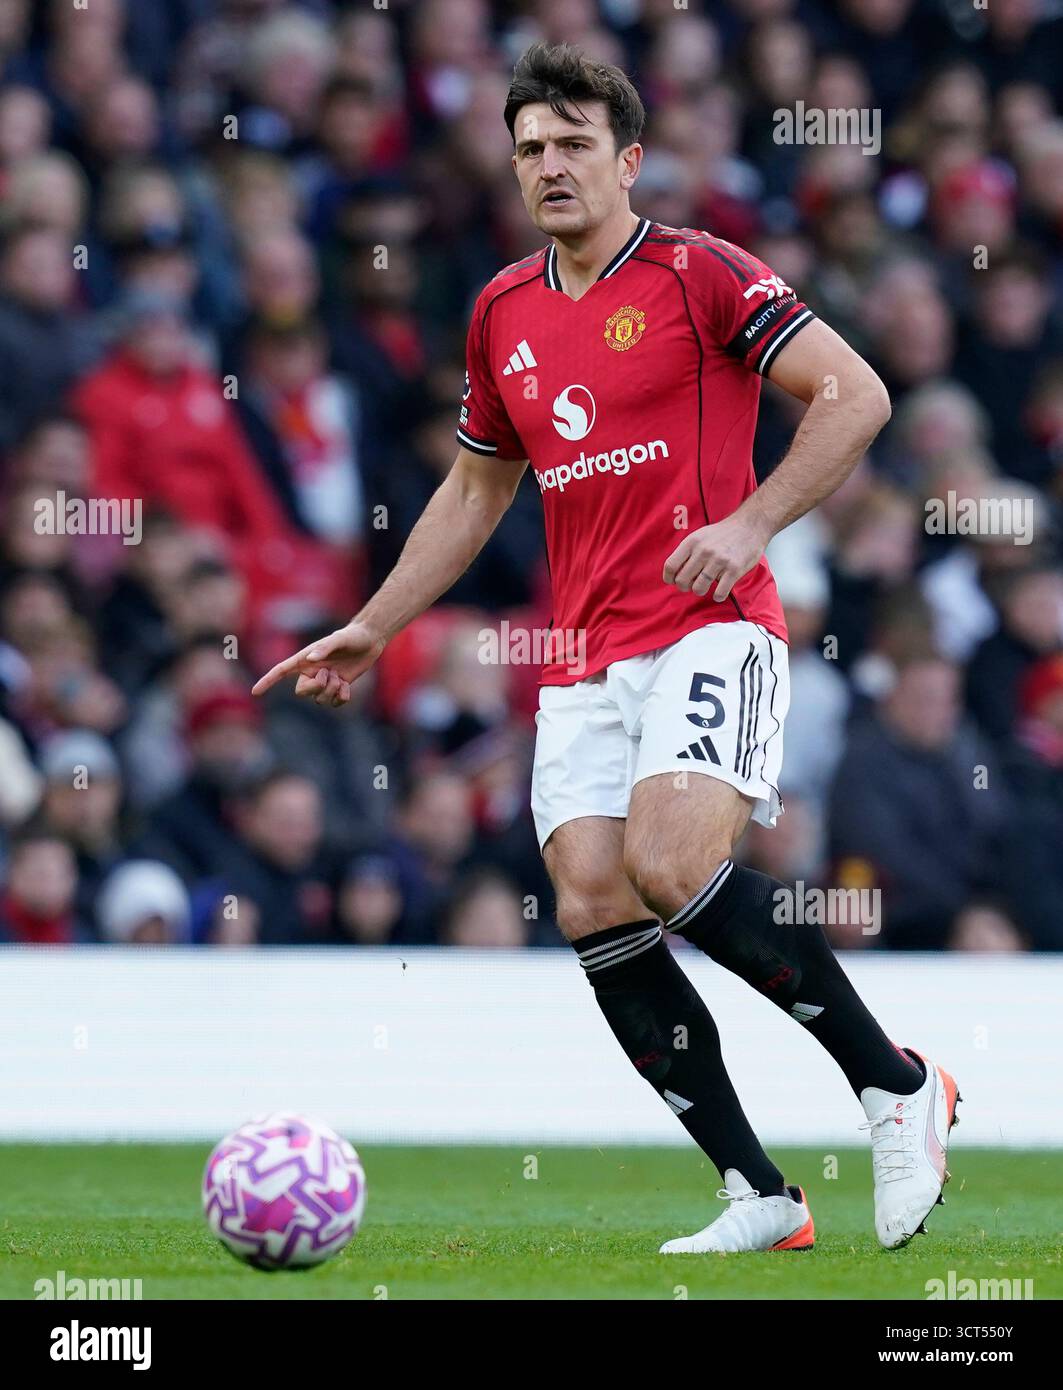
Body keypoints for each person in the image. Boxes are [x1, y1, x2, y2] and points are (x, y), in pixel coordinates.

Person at [253, 43, 960, 1256]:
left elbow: (855, 395)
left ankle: (892, 1083)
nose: (548, 165)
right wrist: (377, 622)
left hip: (711, 627)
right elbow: (475, 492)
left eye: (574, 142)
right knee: (592, 901)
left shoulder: (702, 274)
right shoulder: (501, 312)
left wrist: (746, 522)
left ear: (629, 159)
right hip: (586, 657)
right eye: (529, 147)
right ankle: (761, 1193)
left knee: (671, 861)